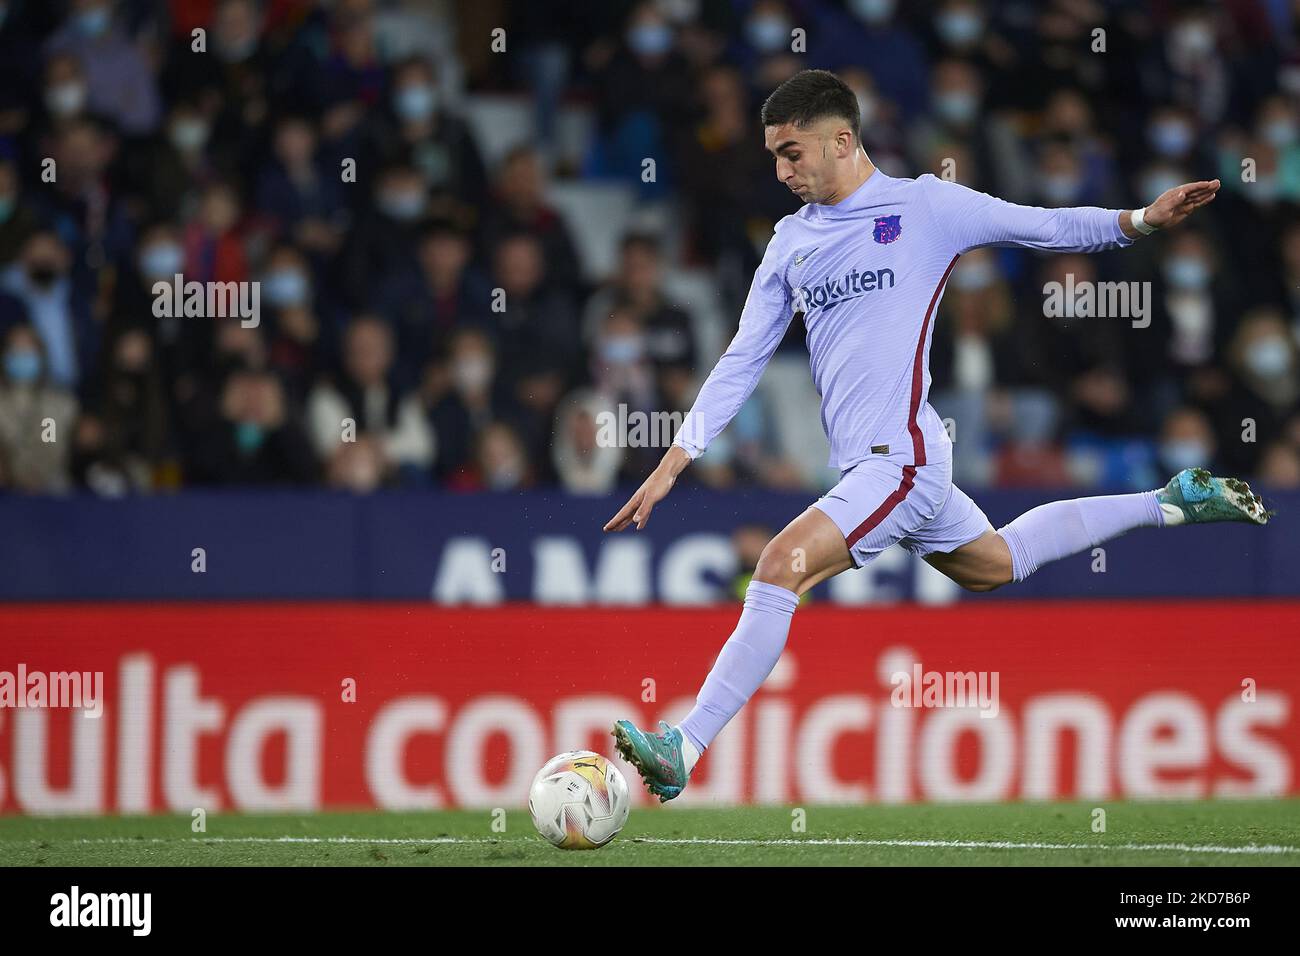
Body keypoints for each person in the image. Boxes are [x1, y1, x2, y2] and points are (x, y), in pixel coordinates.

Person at [604, 69, 1272, 803]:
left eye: (792, 152)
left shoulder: (925, 206)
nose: (782, 170)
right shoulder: (790, 242)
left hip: (904, 458)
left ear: (841, 139)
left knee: (778, 565)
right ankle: (1169, 501)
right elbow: (743, 356)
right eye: (773, 156)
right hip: (872, 464)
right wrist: (676, 458)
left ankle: (683, 745)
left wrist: (1139, 221)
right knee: (993, 563)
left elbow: (1042, 224)